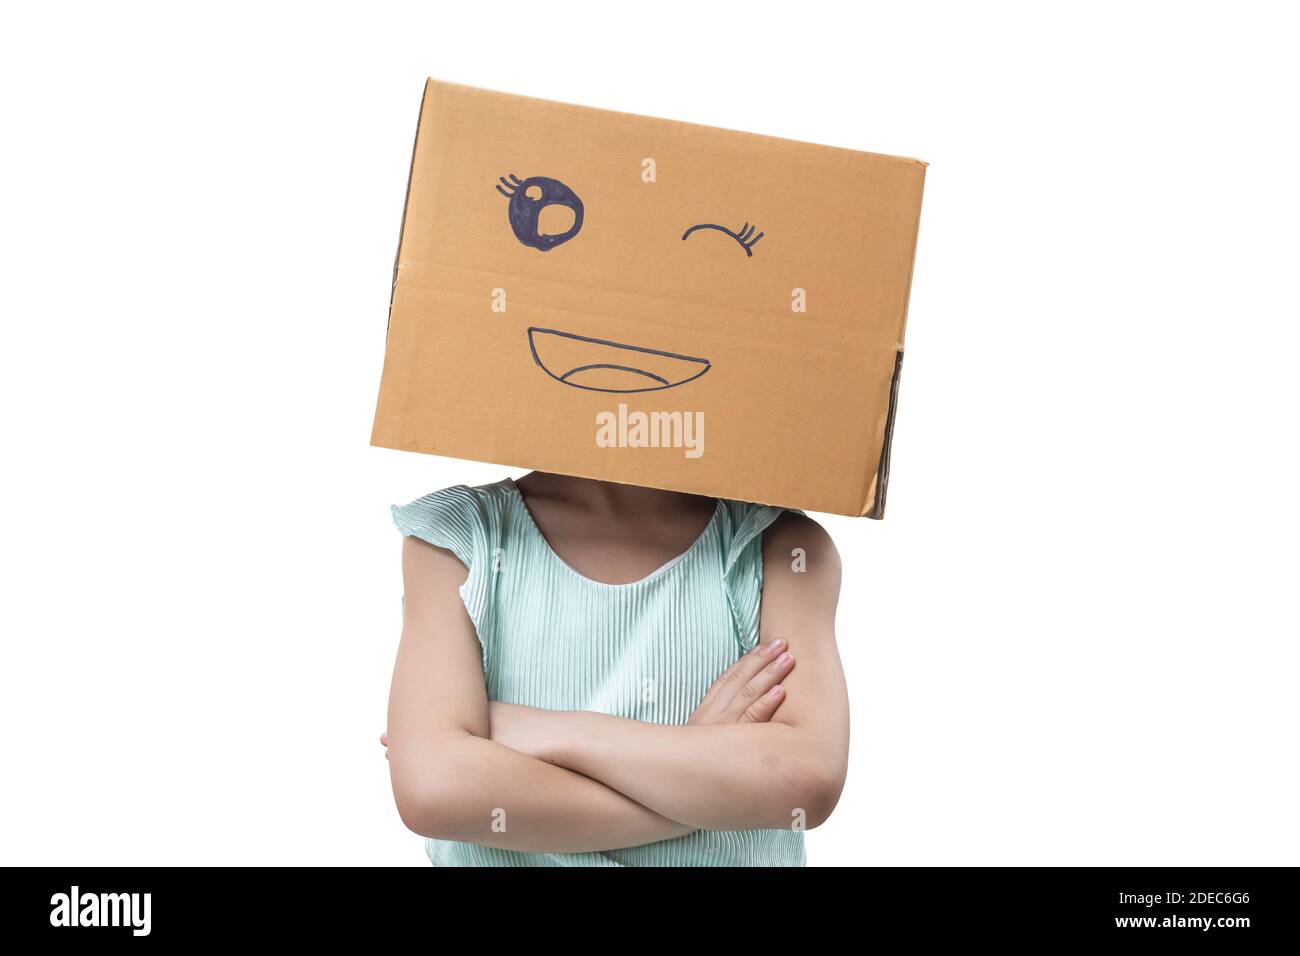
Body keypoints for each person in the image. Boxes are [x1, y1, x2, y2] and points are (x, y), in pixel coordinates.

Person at [380, 470, 848, 865]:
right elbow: (435, 789)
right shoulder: (458, 534)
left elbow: (802, 781)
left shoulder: (781, 547)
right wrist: (697, 786)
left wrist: (551, 732)